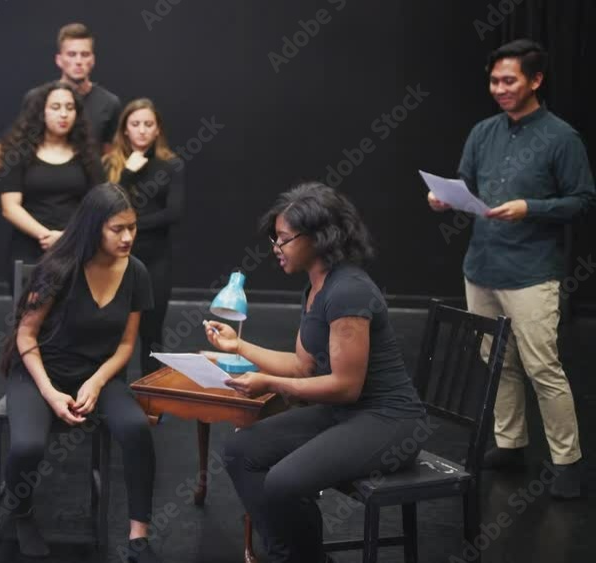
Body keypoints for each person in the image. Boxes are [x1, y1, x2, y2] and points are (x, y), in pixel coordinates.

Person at [209, 183, 427, 563]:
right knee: (239, 450)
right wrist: (238, 347)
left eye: (284, 239)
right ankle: (290, 557)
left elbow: (346, 387)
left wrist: (268, 383)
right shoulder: (314, 287)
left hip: (390, 421)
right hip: (347, 413)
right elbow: (302, 367)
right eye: (275, 239)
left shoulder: (349, 291)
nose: (275, 248)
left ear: (318, 238)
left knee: (284, 481)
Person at [428, 39, 593, 498]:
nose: (499, 88)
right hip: (481, 265)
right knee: (494, 360)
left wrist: (530, 207)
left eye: (509, 80)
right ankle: (511, 443)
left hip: (532, 271)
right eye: (494, 80)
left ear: (535, 81)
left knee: (543, 365)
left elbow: (583, 201)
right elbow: (465, 184)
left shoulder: (561, 137)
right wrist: (443, 198)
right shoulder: (483, 132)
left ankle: (567, 461)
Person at [0, 184, 162, 562]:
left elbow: (125, 345)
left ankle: (139, 536)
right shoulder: (59, 267)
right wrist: (51, 392)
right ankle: (20, 511)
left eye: (132, 228)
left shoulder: (136, 273)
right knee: (27, 446)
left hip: (97, 373)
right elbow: (25, 334)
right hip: (40, 370)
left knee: (136, 429)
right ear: (94, 228)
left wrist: (98, 380)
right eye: (117, 229)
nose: (127, 237)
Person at [103, 98, 185, 376]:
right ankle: (112, 394)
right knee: (115, 331)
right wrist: (126, 174)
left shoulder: (171, 165)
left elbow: (173, 213)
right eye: (135, 124)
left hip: (156, 259)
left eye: (148, 124)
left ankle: (151, 399)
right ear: (125, 129)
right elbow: (107, 208)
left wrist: (128, 226)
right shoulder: (111, 164)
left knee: (151, 331)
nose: (141, 130)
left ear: (157, 129)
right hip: (117, 260)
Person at [0, 80, 104, 287]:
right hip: (29, 247)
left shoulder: (89, 156)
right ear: (42, 112)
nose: (64, 114)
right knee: (29, 316)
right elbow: (9, 207)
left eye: (70, 107)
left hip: (76, 246)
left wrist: (67, 238)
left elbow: (98, 206)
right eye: (55, 107)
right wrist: (46, 235)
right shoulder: (18, 153)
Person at [22, 23, 121, 153]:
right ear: (59, 60)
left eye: (85, 54)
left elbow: (110, 158)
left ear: (93, 60)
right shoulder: (36, 99)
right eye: (71, 54)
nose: (78, 61)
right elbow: (25, 149)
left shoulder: (109, 103)